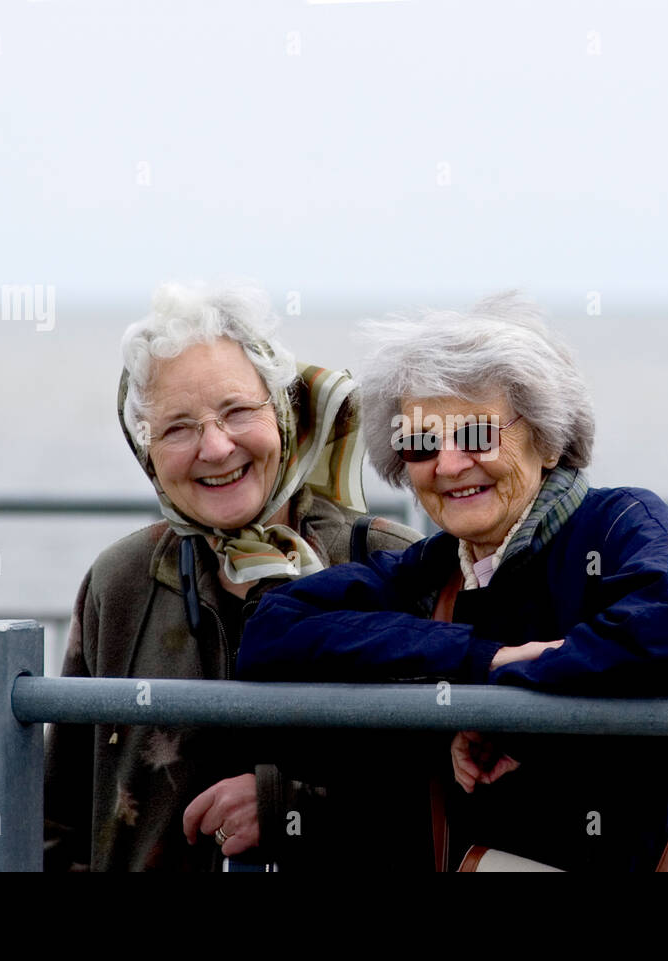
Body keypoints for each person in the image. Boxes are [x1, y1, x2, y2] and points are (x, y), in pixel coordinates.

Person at [237, 292, 668, 871]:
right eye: (422, 442)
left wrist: (510, 724)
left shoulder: (621, 526)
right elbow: (270, 638)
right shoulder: (432, 572)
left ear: (549, 438)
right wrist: (482, 663)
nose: (450, 463)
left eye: (478, 434)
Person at [42, 282, 421, 871]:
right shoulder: (121, 582)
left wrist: (284, 804)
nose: (216, 448)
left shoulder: (386, 562)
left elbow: (444, 787)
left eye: (238, 411)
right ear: (146, 452)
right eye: (177, 428)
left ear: (284, 412)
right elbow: (59, 817)